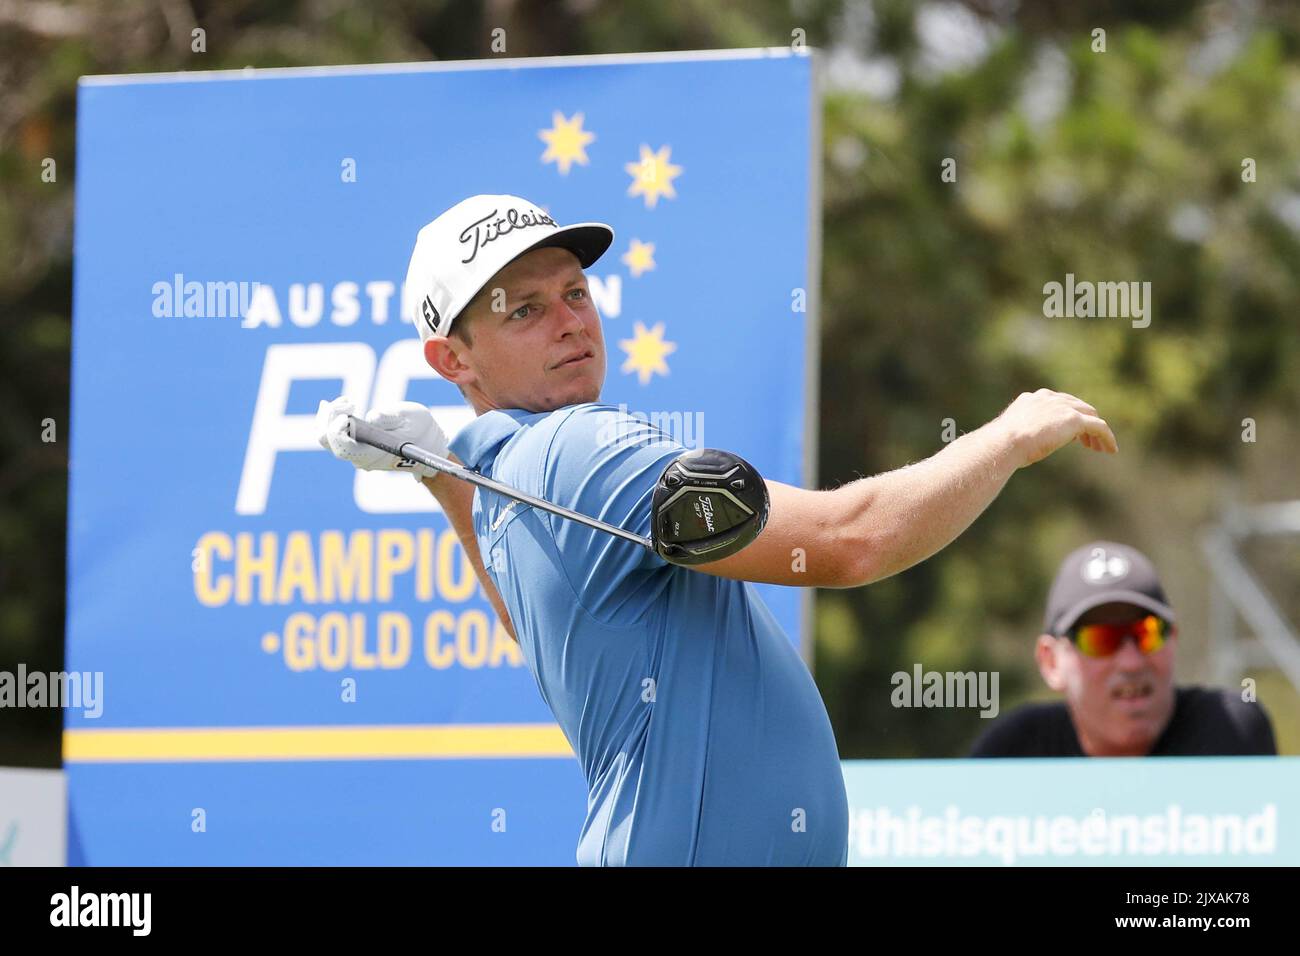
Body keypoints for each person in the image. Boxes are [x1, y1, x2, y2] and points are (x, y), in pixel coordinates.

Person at [318, 193, 1119, 865]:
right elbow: (847, 541)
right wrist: (1008, 436)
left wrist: (440, 477)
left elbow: (549, 651)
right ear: (452, 361)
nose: (569, 322)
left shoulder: (501, 482)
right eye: (523, 310)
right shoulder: (578, 446)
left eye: (575, 293)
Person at [969, 541, 1277, 757]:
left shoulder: (1228, 728)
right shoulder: (1015, 751)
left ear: (1173, 638)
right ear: (1051, 662)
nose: (1130, 662)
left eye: (1147, 633)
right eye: (1101, 639)